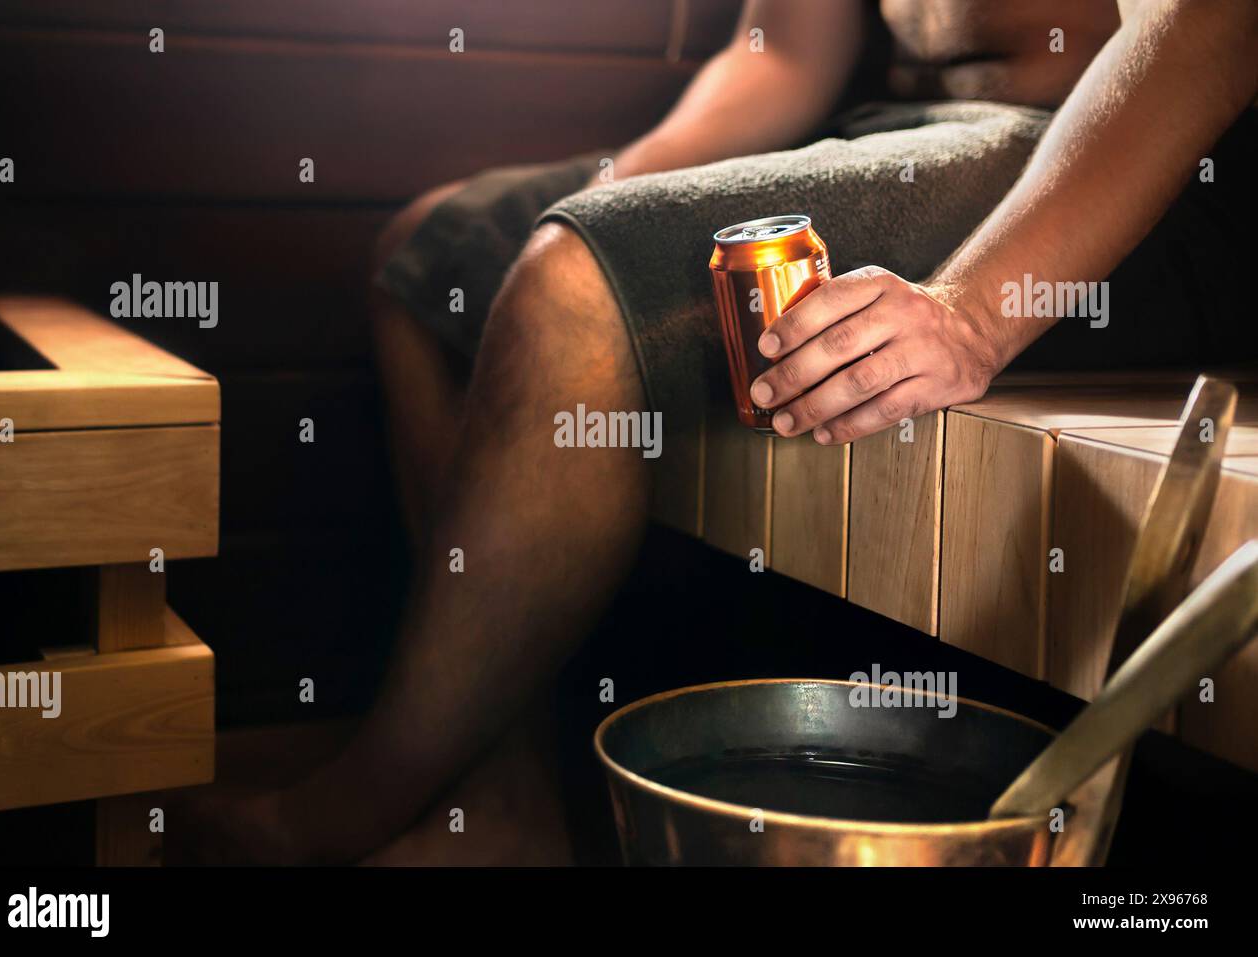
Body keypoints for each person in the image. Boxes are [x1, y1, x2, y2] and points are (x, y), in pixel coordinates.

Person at [180, 0, 1257, 863]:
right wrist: (612, 199)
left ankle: (358, 802)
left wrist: (971, 314)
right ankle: (501, 808)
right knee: (438, 256)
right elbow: (783, 50)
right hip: (898, 133)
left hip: (1120, 173)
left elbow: (1207, 27)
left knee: (573, 290)